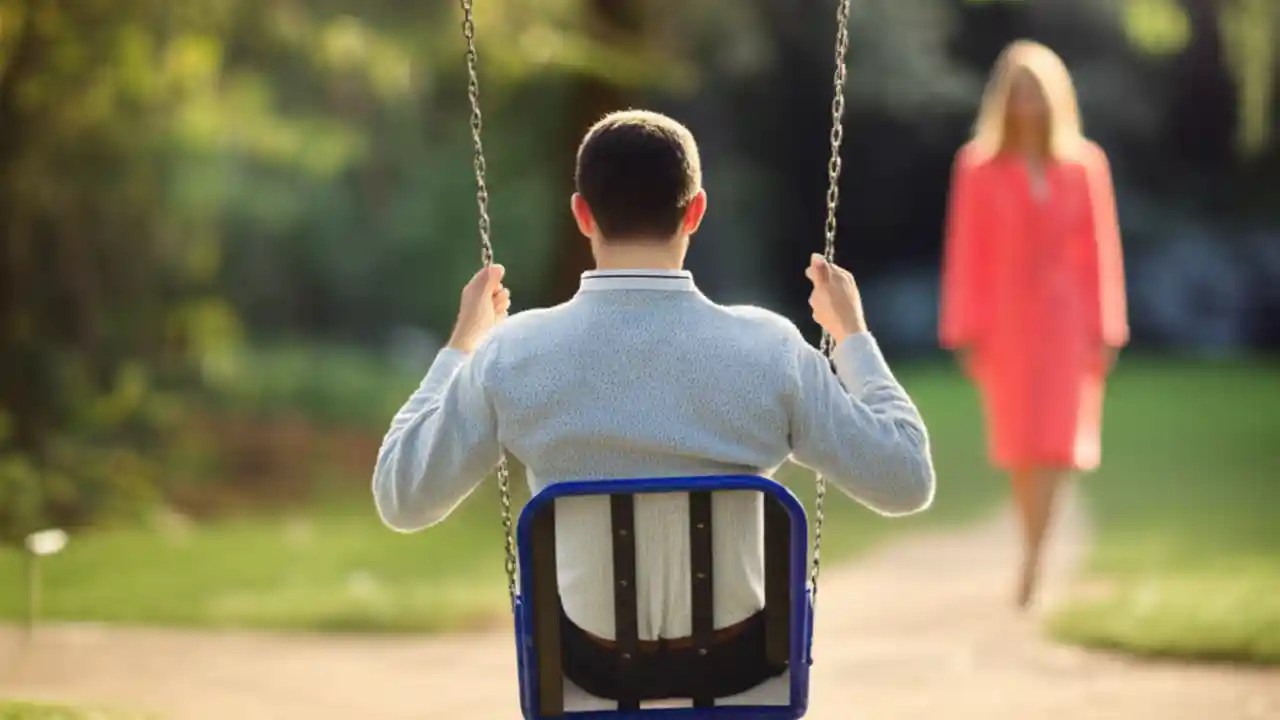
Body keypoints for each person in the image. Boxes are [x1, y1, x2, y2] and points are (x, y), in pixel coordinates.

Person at [374, 110, 935, 706]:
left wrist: (461, 348)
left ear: (582, 214)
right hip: (738, 669)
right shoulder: (771, 350)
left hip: (592, 670)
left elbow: (402, 498)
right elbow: (907, 480)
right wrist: (852, 338)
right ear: (696, 212)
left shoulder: (512, 354)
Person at [940, 41, 1128, 609]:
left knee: (1059, 443)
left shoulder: (1084, 165)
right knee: (1020, 442)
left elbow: (1101, 251)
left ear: (1054, 99)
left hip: (1067, 320)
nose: (1027, 106)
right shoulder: (977, 167)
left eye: (1036, 94)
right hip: (1006, 322)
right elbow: (966, 250)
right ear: (1004, 101)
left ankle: (1035, 556)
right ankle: (1032, 546)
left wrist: (1106, 328)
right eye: (1018, 95)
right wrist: (964, 330)